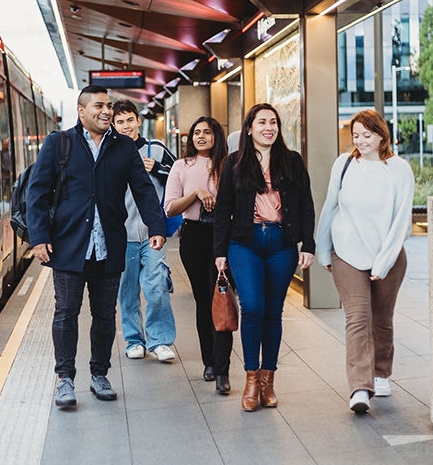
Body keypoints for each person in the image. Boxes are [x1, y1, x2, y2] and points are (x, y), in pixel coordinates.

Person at [26, 85, 167, 409]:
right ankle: (64, 379)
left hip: (110, 246)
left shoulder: (124, 148)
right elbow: (37, 193)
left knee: (105, 315)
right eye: (99, 106)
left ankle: (99, 375)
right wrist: (39, 238)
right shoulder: (58, 143)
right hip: (68, 246)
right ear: (81, 110)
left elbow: (143, 190)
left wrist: (155, 226)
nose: (106, 111)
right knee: (66, 313)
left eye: (109, 106)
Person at [213, 103, 316, 411]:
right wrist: (220, 252)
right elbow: (222, 212)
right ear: (249, 128)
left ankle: (268, 381)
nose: (269, 127)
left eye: (273, 122)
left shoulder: (292, 161)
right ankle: (250, 379)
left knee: (272, 311)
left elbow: (306, 205)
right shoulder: (234, 163)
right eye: (262, 122)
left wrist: (307, 244)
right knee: (253, 306)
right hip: (245, 243)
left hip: (281, 244)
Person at [315, 108, 415, 414]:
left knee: (382, 318)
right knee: (357, 318)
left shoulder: (399, 169)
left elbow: (401, 221)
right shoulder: (344, 164)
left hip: (388, 255)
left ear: (381, 134)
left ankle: (381, 372)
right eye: (356, 135)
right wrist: (322, 249)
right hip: (347, 252)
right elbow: (330, 206)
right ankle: (360, 386)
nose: (360, 141)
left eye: (366, 135)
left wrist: (383, 263)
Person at [164, 116, 232, 394]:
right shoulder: (181, 166)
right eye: (196, 132)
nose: (201, 136)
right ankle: (210, 362)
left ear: (217, 135)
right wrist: (196, 193)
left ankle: (223, 369)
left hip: (225, 237)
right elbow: (170, 208)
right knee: (204, 301)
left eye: (207, 132)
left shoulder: (229, 164)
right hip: (193, 237)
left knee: (223, 299)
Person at [112, 99, 178, 362]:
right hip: (122, 234)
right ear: (113, 125)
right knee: (126, 290)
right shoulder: (111, 151)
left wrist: (158, 169)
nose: (126, 126)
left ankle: (160, 340)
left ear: (138, 120)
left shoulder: (157, 149)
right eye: (120, 122)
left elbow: (178, 175)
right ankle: (133, 340)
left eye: (130, 120)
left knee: (156, 286)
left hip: (153, 232)